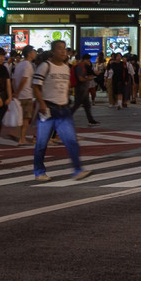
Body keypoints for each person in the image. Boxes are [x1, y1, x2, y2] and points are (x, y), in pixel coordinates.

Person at [30, 40, 89, 182]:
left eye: (64, 49)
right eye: (60, 49)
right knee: (41, 143)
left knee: (71, 141)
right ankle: (39, 172)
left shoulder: (66, 67)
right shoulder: (45, 66)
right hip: (48, 109)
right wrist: (42, 104)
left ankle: (77, 170)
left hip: (64, 110)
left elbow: (67, 85)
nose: (63, 52)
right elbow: (36, 86)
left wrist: (67, 98)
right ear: (53, 52)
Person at [12, 46, 37, 145]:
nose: (35, 53)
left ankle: (18, 135)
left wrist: (15, 91)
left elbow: (13, 79)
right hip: (26, 94)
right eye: (34, 51)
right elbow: (24, 79)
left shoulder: (19, 64)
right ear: (29, 53)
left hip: (19, 95)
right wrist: (18, 91)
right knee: (26, 118)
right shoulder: (28, 65)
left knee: (20, 117)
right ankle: (22, 138)